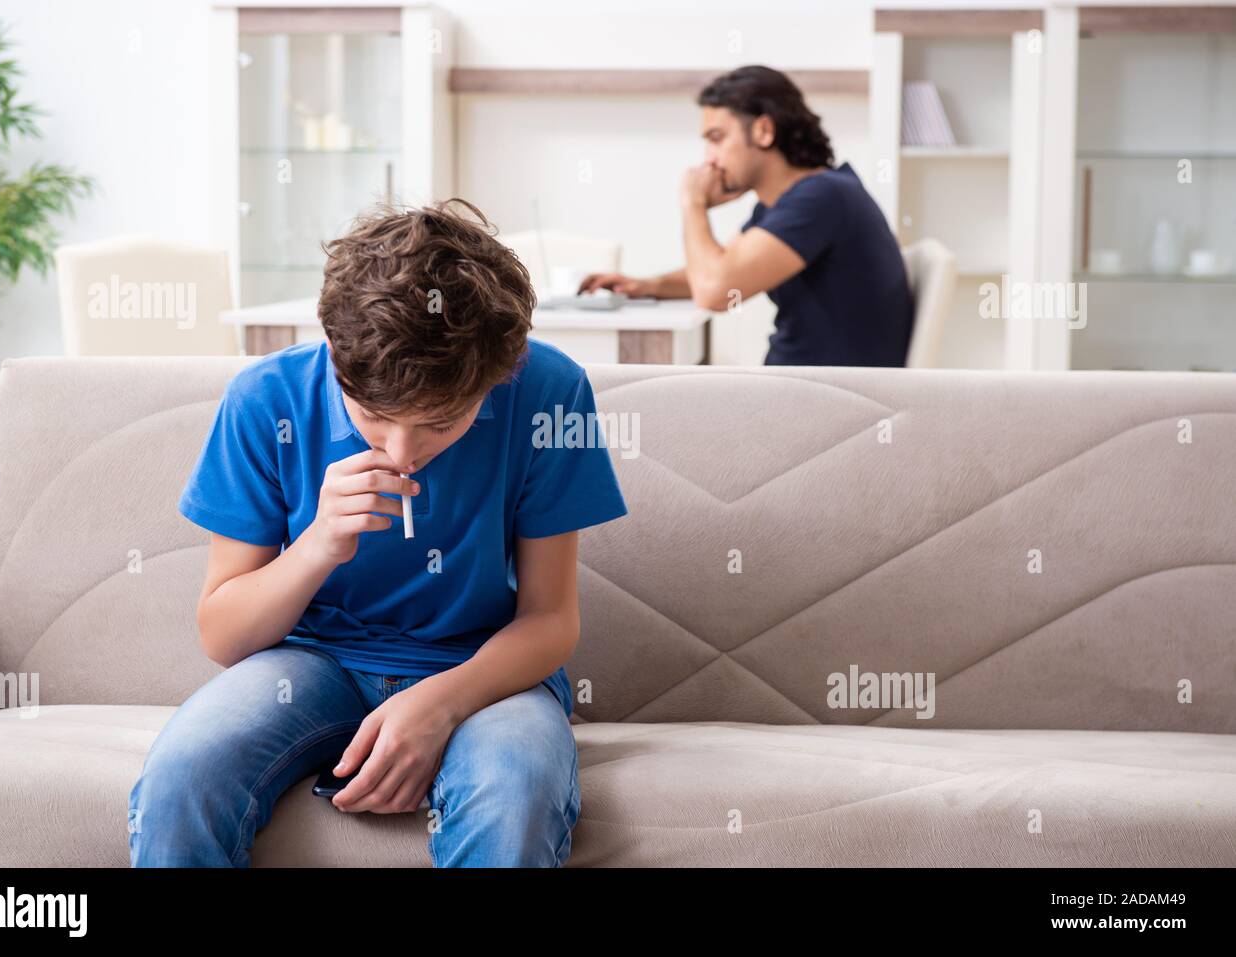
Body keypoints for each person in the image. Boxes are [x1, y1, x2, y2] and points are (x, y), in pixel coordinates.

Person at [128, 198, 629, 867]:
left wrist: (441, 704)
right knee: (181, 778)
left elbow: (550, 619)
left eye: (441, 423)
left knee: (518, 791)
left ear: (500, 373)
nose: (401, 452)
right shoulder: (265, 399)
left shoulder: (549, 392)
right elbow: (223, 634)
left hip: (486, 669)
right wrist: (317, 546)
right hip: (309, 661)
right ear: (335, 355)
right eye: (373, 416)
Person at [581, 64, 914, 367]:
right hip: (808, 393)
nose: (709, 159)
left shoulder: (821, 198)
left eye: (717, 138)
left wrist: (692, 202)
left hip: (821, 403)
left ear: (764, 131)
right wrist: (647, 285)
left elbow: (714, 291)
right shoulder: (797, 200)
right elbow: (724, 267)